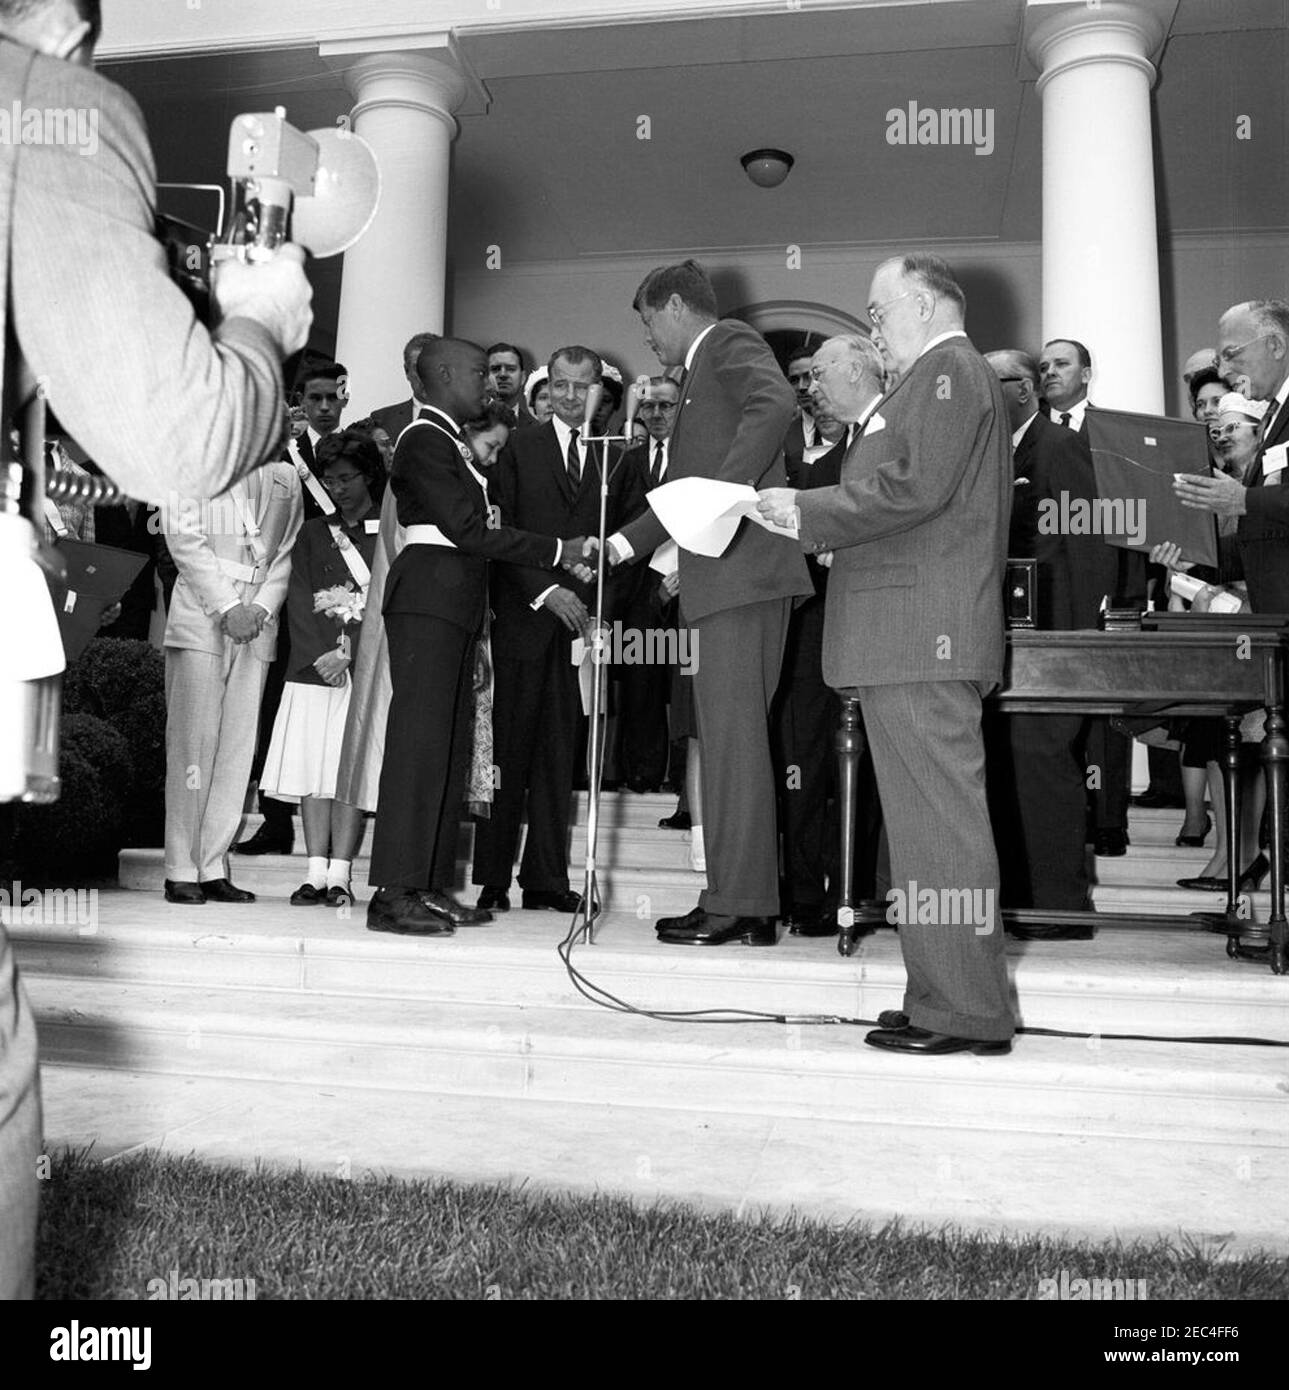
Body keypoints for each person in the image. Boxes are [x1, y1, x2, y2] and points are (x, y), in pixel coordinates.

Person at [0, 0, 311, 1300]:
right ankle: (188, 867)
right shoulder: (51, 104)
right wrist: (258, 323)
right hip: (203, 598)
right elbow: (180, 449)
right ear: (68, 24)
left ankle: (210, 860)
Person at [759, 252, 1014, 1055]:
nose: (869, 329)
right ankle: (939, 992)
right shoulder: (934, 379)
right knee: (921, 834)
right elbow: (914, 508)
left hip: (922, 639)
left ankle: (966, 1013)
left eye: (876, 312)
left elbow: (913, 490)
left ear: (926, 306)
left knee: (941, 832)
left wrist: (804, 509)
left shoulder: (950, 371)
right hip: (906, 637)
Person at [606, 259, 813, 947]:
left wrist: (721, 493)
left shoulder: (724, 341)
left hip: (742, 577)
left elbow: (775, 403)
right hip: (726, 579)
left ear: (671, 305)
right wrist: (618, 547)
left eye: (645, 321)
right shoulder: (699, 374)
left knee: (732, 743)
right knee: (728, 744)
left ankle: (742, 900)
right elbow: (684, 492)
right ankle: (737, 896)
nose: (646, 338)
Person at [366, 337, 595, 937]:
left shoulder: (449, 443)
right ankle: (393, 890)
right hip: (428, 602)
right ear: (441, 375)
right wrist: (556, 549)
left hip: (455, 604)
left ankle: (429, 884)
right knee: (419, 746)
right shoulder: (424, 439)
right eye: (475, 372)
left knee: (448, 746)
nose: (487, 384)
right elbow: (468, 528)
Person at [471, 347, 645, 913]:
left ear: (600, 390)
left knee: (559, 754)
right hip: (525, 618)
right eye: (561, 385)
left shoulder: (618, 455)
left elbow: (628, 544)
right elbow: (499, 531)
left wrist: (598, 605)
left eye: (583, 387)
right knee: (508, 752)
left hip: (583, 629)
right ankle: (492, 878)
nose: (571, 397)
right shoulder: (518, 447)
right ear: (547, 386)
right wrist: (547, 590)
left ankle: (546, 879)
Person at [982, 349, 1123, 936]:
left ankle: (1060, 907)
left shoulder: (1056, 445)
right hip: (1012, 640)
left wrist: (1077, 639)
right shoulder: (1001, 452)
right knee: (1015, 768)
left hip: (1053, 639)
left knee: (1044, 768)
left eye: (994, 382)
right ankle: (1024, 898)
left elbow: (1089, 549)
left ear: (1024, 389)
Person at [775, 336, 886, 937]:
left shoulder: (890, 447)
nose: (812, 390)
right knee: (804, 768)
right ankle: (807, 895)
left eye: (821, 377)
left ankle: (860, 889)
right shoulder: (809, 469)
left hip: (879, 638)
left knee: (867, 774)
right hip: (811, 636)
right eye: (807, 381)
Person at [160, 459, 303, 905]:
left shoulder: (285, 476)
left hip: (259, 619)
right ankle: (181, 867)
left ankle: (213, 865)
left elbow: (288, 550)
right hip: (204, 613)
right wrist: (227, 606)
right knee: (193, 744)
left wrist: (261, 606)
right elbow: (184, 540)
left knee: (238, 747)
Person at [260, 430, 383, 907]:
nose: (338, 488)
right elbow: (299, 597)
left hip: (365, 666)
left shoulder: (389, 530)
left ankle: (341, 875)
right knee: (314, 769)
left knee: (346, 771)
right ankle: (314, 872)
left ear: (368, 475)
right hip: (314, 668)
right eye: (330, 480)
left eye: (346, 478)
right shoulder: (312, 532)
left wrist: (350, 651)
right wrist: (322, 657)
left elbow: (387, 600)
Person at [237, 361, 348, 857]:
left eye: (333, 398)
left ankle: (343, 820)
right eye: (315, 399)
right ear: (300, 401)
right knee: (276, 708)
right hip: (288, 596)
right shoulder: (284, 455)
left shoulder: (358, 449)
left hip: (348, 601)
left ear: (344, 399)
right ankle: (275, 819)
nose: (324, 408)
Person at [1176, 299, 1289, 613]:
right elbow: (1264, 539)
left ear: (1276, 345)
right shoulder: (1274, 418)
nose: (1224, 371)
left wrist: (1244, 500)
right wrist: (1196, 556)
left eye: (1231, 354)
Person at [370, 333, 438, 441]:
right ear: (407, 371)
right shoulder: (382, 420)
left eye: (431, 367)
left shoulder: (465, 420)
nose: (425, 375)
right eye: (418, 368)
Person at [1039, 338, 1094, 432]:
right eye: (1043, 368)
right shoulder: (1026, 423)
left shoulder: (1108, 427)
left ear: (1085, 375)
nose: (1050, 372)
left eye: (1061, 364)